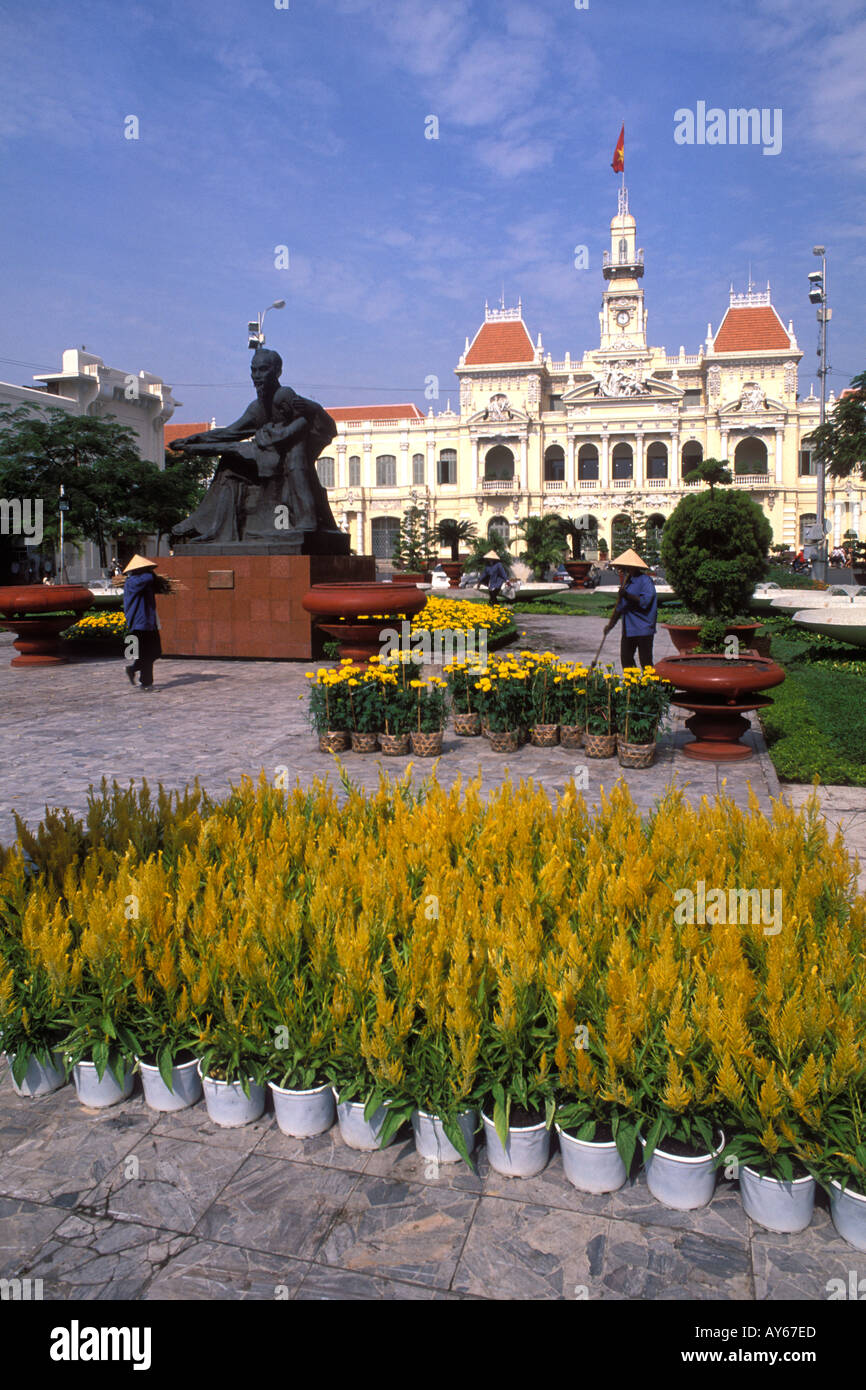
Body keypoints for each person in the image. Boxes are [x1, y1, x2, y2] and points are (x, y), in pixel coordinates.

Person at [603, 548, 658, 670]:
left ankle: (651, 686)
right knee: (626, 659)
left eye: (626, 567)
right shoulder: (627, 582)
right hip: (629, 629)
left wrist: (627, 595)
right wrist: (610, 625)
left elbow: (645, 602)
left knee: (646, 661)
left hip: (644, 628)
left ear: (633, 567)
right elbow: (620, 607)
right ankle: (632, 685)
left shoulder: (645, 581)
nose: (624, 569)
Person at [121, 554, 162, 690]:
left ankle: (133, 669)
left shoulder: (144, 581)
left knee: (155, 652)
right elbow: (149, 578)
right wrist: (150, 573)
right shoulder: (133, 581)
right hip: (139, 622)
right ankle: (146, 683)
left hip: (149, 622)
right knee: (146, 653)